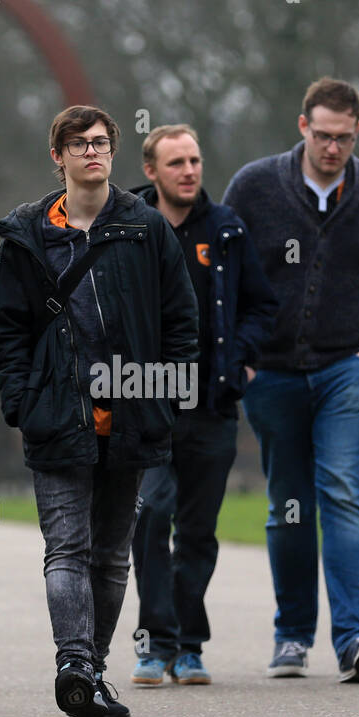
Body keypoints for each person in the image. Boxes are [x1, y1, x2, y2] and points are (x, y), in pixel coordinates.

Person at [0, 105, 198, 717]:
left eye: (101, 143)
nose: (91, 153)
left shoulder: (145, 227)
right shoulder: (28, 235)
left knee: (110, 554)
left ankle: (91, 672)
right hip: (57, 413)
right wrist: (21, 402)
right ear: (58, 157)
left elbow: (181, 321)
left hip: (132, 413)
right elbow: (8, 330)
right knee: (66, 549)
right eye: (78, 145)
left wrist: (166, 398)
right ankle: (75, 663)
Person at [223, 77, 359, 682]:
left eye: (345, 138)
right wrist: (244, 357)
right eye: (323, 136)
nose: (333, 148)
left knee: (341, 493)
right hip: (272, 373)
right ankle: (291, 635)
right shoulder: (254, 187)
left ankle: (355, 636)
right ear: (302, 126)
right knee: (288, 503)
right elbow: (223, 279)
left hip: (350, 369)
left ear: (357, 132)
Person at [127, 124, 277, 686]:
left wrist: (243, 360)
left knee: (197, 532)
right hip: (146, 400)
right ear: (152, 172)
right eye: (176, 163)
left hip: (212, 404)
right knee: (151, 514)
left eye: (194, 161)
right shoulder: (127, 227)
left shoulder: (228, 228)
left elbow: (262, 305)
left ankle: (188, 644)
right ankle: (155, 642)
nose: (189, 171)